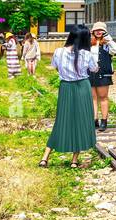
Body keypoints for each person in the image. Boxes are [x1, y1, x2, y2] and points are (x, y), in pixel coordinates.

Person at [41, 25, 98, 168]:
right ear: (85, 38)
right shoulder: (86, 54)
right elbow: (94, 69)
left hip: (65, 87)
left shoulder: (58, 52)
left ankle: (45, 157)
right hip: (82, 88)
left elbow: (54, 66)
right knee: (80, 122)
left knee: (61, 121)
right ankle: (74, 161)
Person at [89, 22, 116, 130]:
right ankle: (94, 119)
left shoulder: (108, 44)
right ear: (92, 31)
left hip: (103, 73)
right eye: (96, 30)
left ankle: (104, 120)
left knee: (103, 97)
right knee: (92, 97)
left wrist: (108, 38)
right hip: (90, 73)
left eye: (101, 30)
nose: (98, 32)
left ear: (105, 32)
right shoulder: (89, 43)